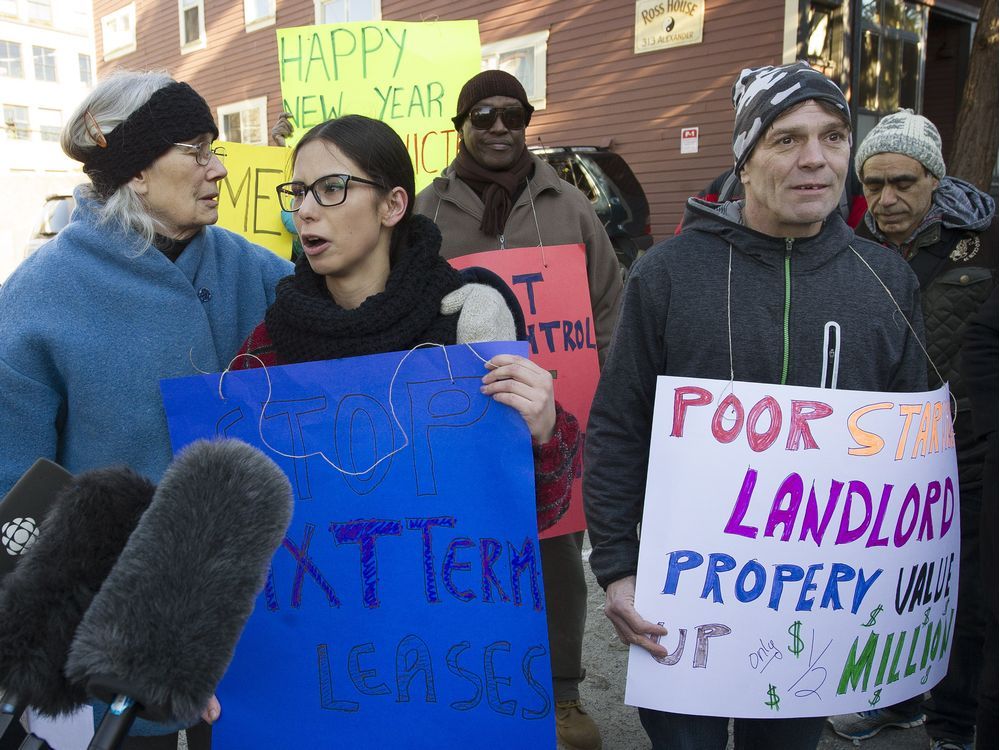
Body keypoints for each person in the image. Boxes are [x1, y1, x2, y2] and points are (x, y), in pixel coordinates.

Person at [583, 61, 928, 750]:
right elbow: (618, 428)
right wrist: (618, 570)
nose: (815, 160)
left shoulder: (885, 279)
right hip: (684, 605)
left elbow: (916, 452)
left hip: (817, 615)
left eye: (833, 137)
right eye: (786, 139)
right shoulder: (668, 274)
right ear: (744, 158)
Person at [0, 71, 292, 748]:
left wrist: (475, 294)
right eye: (195, 149)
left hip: (265, 626)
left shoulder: (259, 272)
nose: (218, 168)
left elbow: (372, 302)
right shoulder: (39, 297)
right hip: (116, 660)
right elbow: (13, 493)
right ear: (135, 172)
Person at [233, 113, 580, 535]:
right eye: (300, 192)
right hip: (320, 589)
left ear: (393, 205)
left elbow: (538, 512)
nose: (304, 211)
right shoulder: (268, 345)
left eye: (330, 189)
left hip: (452, 588)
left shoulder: (466, 325)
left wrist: (542, 432)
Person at [414, 69, 623, 750]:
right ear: (461, 126)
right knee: (459, 552)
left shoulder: (570, 204)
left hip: (550, 419)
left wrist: (606, 391)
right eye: (484, 116)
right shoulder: (424, 212)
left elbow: (610, 304)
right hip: (459, 418)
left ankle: (563, 697)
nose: (500, 127)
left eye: (513, 114)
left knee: (557, 551)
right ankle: (470, 687)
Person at [828, 109, 998, 750]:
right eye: (872, 185)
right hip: (886, 452)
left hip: (974, 447)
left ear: (935, 178)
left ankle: (954, 723)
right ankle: (894, 702)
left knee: (973, 593)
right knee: (894, 585)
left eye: (902, 181)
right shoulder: (851, 250)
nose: (886, 198)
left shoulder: (988, 240)